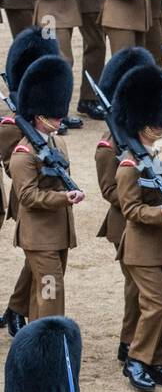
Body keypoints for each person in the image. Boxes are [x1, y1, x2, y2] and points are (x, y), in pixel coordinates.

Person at [114, 64, 162, 392]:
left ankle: (154, 362)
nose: (159, 128)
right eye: (154, 122)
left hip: (161, 245)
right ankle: (137, 361)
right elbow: (131, 210)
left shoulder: (154, 157)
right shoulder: (128, 165)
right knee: (155, 304)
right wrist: (161, 212)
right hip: (140, 247)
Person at [8, 55, 81, 322]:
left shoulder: (57, 145)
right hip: (39, 236)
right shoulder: (23, 154)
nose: (60, 120)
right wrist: (63, 198)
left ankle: (33, 350)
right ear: (39, 116)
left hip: (59, 233)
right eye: (54, 116)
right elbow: (27, 196)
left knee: (44, 295)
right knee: (52, 295)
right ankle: (48, 353)